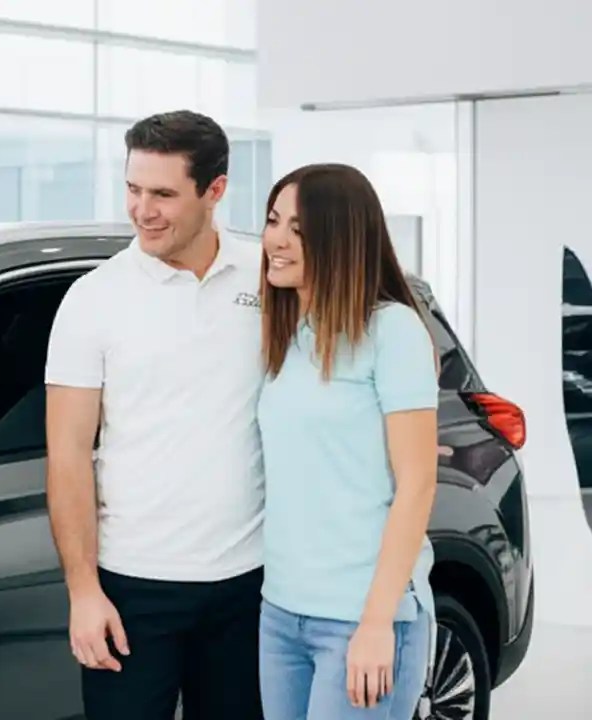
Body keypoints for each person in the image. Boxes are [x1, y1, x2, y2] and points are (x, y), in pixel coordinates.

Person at [44, 110, 266, 719]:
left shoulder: (267, 277)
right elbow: (66, 456)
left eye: (163, 194)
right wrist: (83, 591)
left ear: (214, 191)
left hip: (251, 583)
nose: (143, 210)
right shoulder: (93, 298)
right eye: (133, 189)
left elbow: (356, 322)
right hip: (132, 588)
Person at [256, 162, 438, 719]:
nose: (276, 241)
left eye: (299, 229)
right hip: (282, 612)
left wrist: (378, 622)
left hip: (362, 615)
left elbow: (417, 483)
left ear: (340, 239)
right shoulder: (287, 333)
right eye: (272, 220)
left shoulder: (394, 331)